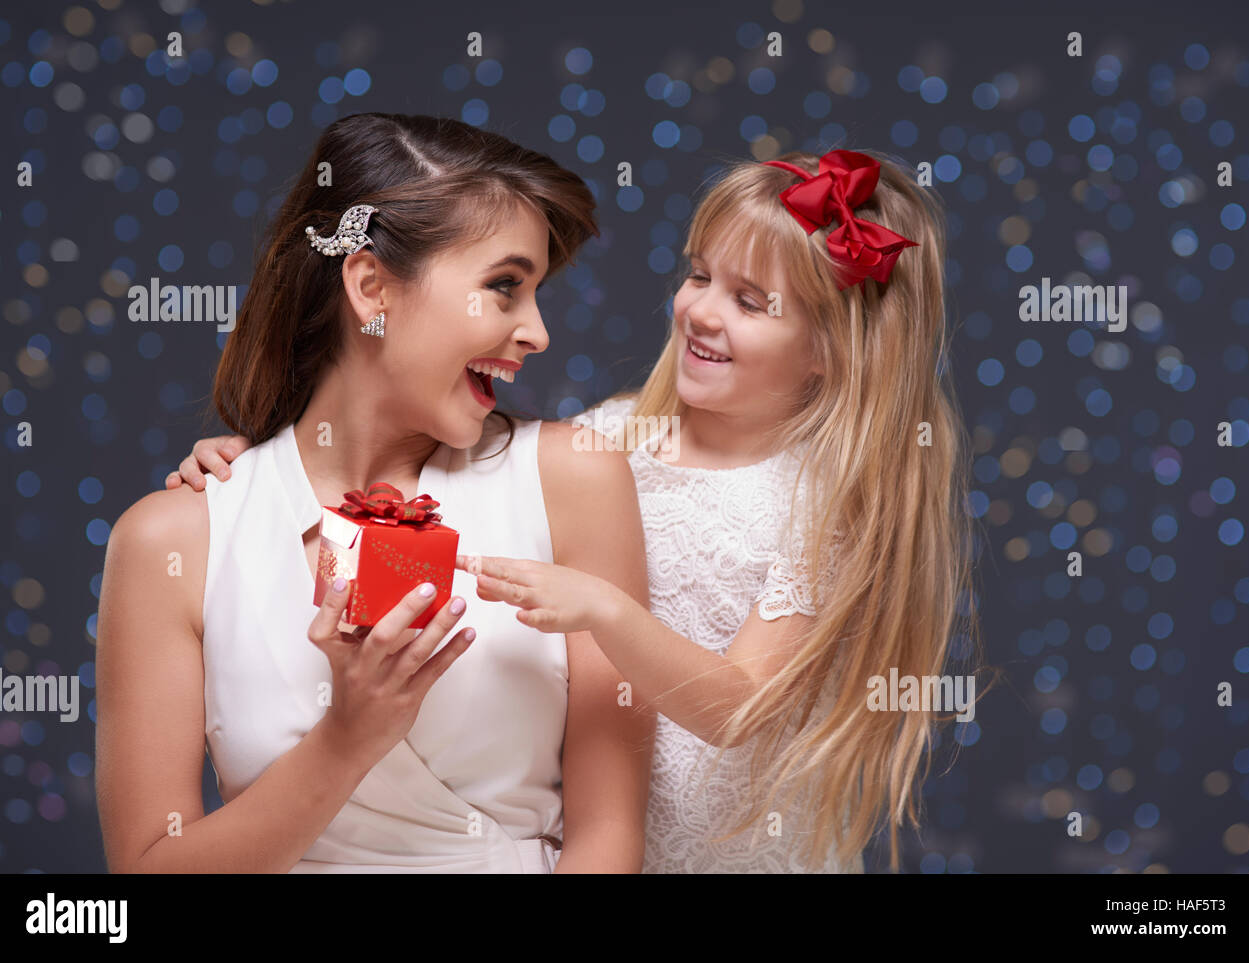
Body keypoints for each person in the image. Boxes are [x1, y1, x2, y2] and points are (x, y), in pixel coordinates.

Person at [169, 148, 989, 873]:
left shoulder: (823, 509)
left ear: (829, 350)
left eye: (751, 301)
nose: (700, 310)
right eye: (699, 275)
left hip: (730, 852)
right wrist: (262, 474)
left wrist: (605, 609)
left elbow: (741, 707)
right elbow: (474, 464)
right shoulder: (606, 439)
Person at [95, 113, 654, 874]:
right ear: (371, 287)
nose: (537, 332)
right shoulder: (172, 539)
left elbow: (610, 835)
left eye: (537, 293)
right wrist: (348, 738)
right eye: (504, 287)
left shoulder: (575, 479)